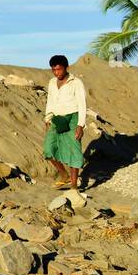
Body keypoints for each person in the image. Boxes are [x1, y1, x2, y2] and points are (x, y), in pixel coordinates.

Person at [44, 54, 87, 190]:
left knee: (74, 150)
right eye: (54, 70)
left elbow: (82, 104)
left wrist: (80, 125)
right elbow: (50, 101)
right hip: (56, 119)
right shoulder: (52, 82)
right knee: (48, 150)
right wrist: (48, 117)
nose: (57, 73)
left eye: (59, 69)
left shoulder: (76, 82)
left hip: (72, 118)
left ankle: (74, 187)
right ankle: (64, 175)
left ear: (66, 68)